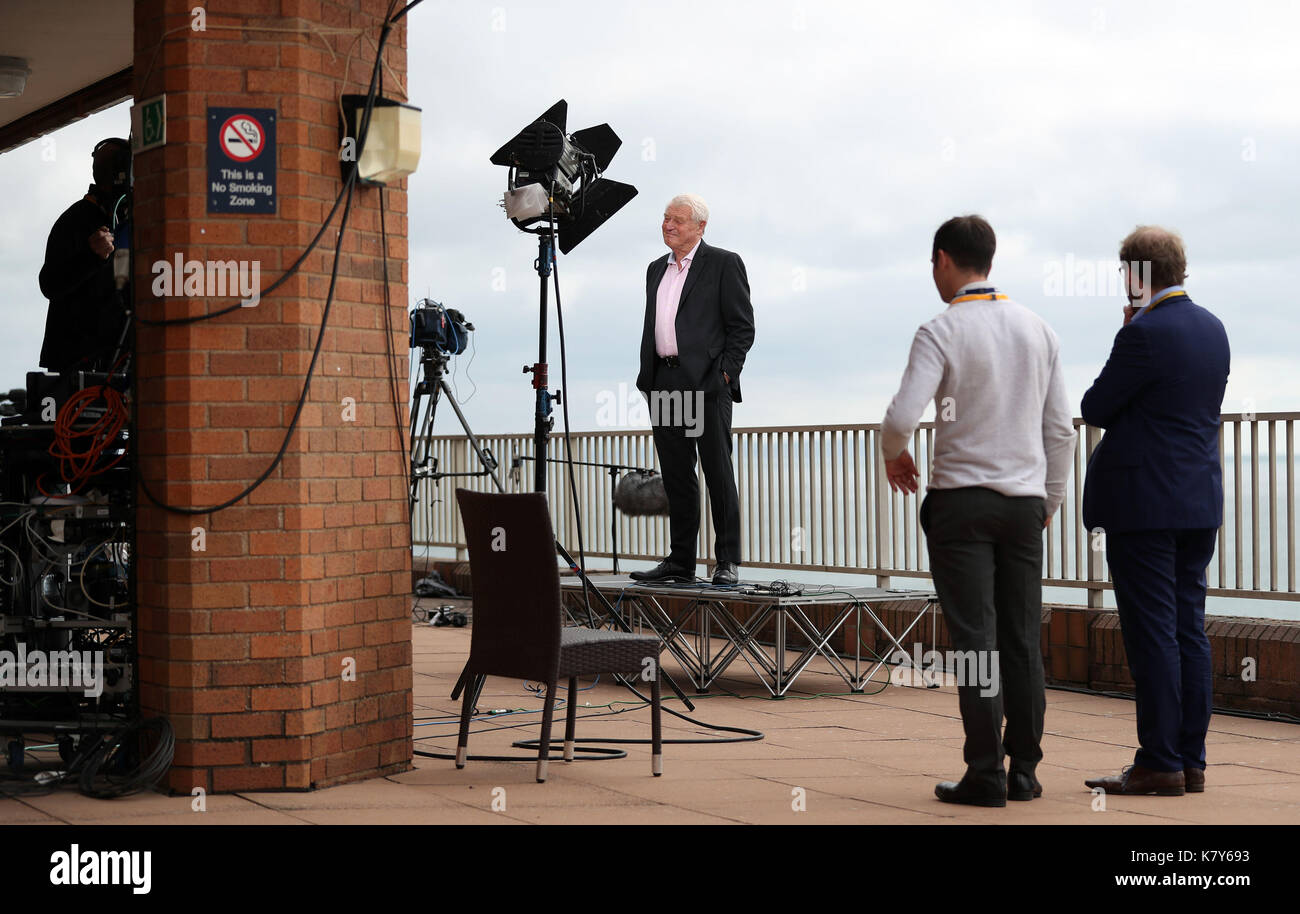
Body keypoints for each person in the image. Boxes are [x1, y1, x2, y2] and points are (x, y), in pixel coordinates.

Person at [882, 215, 1074, 807]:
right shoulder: (1038, 328)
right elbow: (1060, 431)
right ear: (988, 259)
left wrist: (897, 457)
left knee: (976, 639)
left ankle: (984, 772)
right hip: (1023, 506)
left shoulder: (941, 330)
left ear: (943, 259)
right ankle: (1026, 770)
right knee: (1021, 636)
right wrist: (1051, 498)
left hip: (961, 503)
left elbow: (899, 418)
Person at [1082, 226, 1229, 797]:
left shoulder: (1144, 333)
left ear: (1138, 275)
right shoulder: (1213, 329)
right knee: (1189, 629)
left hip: (1145, 505)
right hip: (1198, 502)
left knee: (1152, 636)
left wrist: (1128, 330)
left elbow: (1096, 406)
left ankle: (1158, 762)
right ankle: (1191, 760)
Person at [630, 194, 754, 586]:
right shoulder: (655, 269)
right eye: (665, 218)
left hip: (706, 384)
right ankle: (681, 560)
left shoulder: (723, 263)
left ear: (700, 227)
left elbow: (742, 328)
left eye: (678, 220)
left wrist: (725, 376)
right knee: (677, 477)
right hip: (663, 381)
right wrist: (648, 382)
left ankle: (727, 561)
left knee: (717, 473)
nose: (668, 225)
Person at [38, 137, 132, 375]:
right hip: (77, 362)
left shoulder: (132, 220)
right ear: (122, 175)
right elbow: (49, 284)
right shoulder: (75, 220)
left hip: (121, 358)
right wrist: (90, 256)